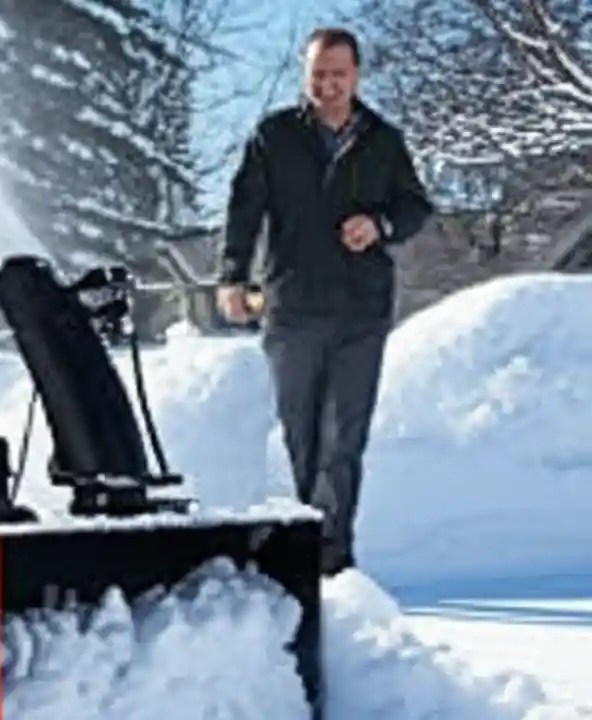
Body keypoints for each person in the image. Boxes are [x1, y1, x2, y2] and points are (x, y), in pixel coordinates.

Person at [216, 28, 434, 575]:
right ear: (304, 74)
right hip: (291, 305)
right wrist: (232, 277)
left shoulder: (383, 140)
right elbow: (244, 211)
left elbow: (415, 207)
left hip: (360, 310)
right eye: (319, 75)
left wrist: (379, 224)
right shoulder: (274, 136)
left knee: (343, 436)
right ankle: (315, 538)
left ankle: (332, 556)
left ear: (356, 75)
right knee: (302, 433)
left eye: (338, 74)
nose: (329, 85)